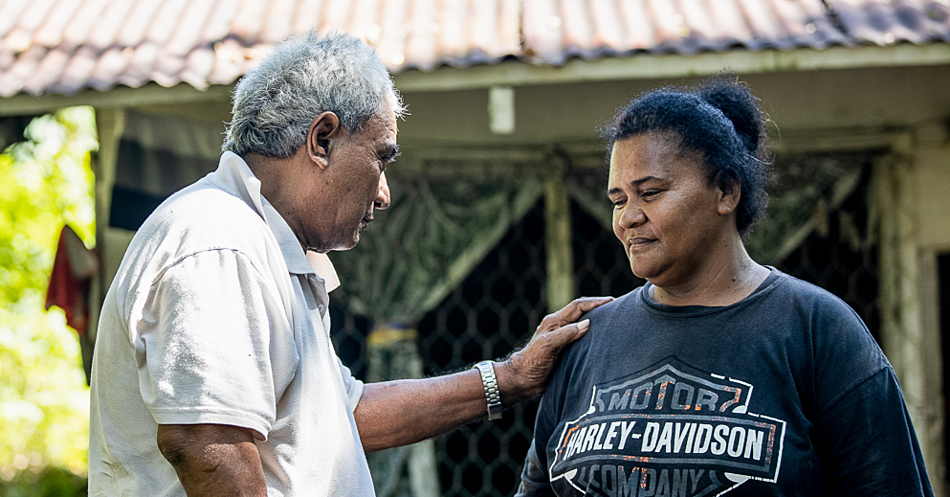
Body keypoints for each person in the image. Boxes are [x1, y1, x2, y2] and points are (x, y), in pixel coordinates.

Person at [87, 31, 610, 497]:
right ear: (321, 140)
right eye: (381, 158)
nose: (384, 195)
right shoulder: (220, 241)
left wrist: (511, 377)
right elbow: (207, 444)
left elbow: (344, 415)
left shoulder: (267, 245)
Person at [516, 77, 934, 496]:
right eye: (619, 200)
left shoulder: (817, 330)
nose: (628, 218)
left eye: (651, 193)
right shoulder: (586, 340)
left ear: (726, 191)